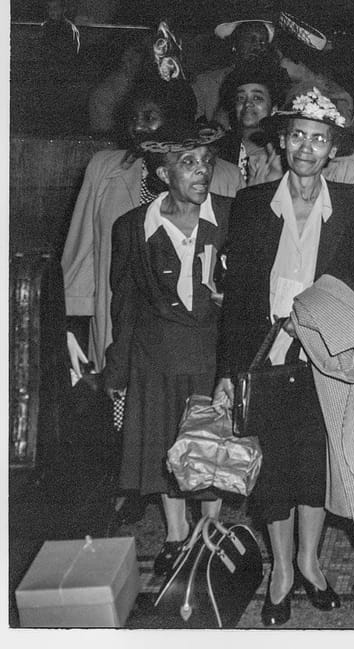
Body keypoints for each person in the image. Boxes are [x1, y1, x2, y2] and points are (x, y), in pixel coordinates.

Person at [214, 89, 354, 626]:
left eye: (319, 139)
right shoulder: (252, 204)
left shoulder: (353, 204)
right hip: (265, 356)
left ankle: (310, 560)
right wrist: (228, 373)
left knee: (314, 462)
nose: (307, 148)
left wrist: (321, 323)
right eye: (298, 137)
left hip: (322, 354)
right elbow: (238, 297)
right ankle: (281, 568)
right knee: (273, 467)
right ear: (283, 143)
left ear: (333, 149)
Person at [103, 120, 230, 576]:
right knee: (163, 442)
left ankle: (211, 529)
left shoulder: (233, 217)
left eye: (206, 162)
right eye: (188, 163)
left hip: (212, 351)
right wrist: (118, 368)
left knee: (212, 445)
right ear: (162, 173)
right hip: (155, 353)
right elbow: (125, 302)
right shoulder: (132, 227)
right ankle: (176, 533)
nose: (202, 171)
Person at [63, 76, 243, 370]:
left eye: (149, 117)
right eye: (133, 118)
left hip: (197, 341)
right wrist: (69, 323)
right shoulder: (104, 169)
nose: (137, 127)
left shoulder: (225, 177)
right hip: (121, 324)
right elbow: (82, 251)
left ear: (176, 121)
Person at [214, 59, 292, 185]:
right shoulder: (219, 149)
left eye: (257, 98)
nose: (248, 104)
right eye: (241, 98)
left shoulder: (283, 154)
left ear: (274, 108)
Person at [191, 18, 276, 124]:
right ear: (234, 43)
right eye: (251, 39)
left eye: (263, 42)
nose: (257, 46)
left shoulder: (276, 84)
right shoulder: (205, 83)